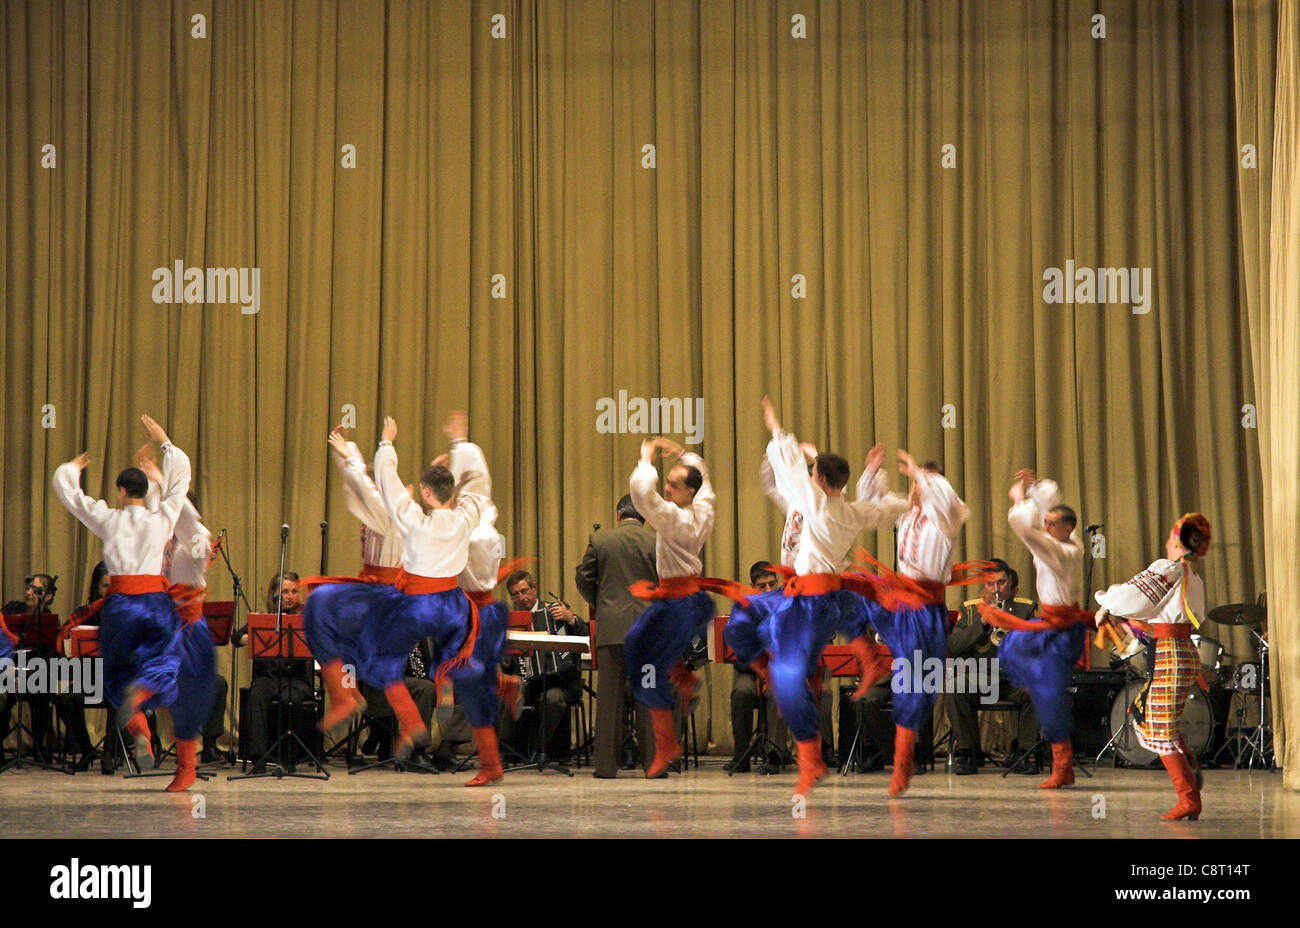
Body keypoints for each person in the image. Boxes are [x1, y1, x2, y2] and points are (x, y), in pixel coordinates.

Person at [754, 397, 904, 797]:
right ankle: (867, 658)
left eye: (813, 471)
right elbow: (881, 510)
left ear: (817, 479)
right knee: (795, 662)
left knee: (786, 677)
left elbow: (788, 470)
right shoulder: (849, 510)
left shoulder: (815, 501)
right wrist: (875, 475)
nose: (808, 474)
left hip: (811, 603)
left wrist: (777, 430)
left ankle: (811, 757)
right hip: (827, 598)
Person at [52, 414, 190, 767]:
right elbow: (180, 484)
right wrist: (165, 442)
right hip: (157, 603)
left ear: (120, 491)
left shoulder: (109, 519)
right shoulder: (162, 520)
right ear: (145, 492)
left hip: (121, 606)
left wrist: (71, 469)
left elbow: (72, 498)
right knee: (166, 664)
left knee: (117, 676)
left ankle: (139, 728)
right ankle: (147, 698)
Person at [357, 416, 485, 761]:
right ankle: (447, 741)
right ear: (452, 493)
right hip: (453, 608)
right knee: (458, 678)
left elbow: (389, 484)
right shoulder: (464, 518)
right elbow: (478, 488)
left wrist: (387, 443)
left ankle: (412, 733)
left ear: (425, 493)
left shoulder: (414, 522)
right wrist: (460, 446)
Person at [860, 452, 972, 796]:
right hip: (899, 602)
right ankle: (868, 656)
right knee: (849, 586)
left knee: (916, 686)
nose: (914, 489)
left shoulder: (947, 517)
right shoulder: (907, 514)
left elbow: (947, 498)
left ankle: (904, 759)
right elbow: (869, 506)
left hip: (925, 610)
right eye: (913, 483)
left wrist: (921, 472)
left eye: (920, 483)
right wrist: (872, 472)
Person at [1093, 514, 1211, 821]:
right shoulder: (1191, 574)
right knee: (1147, 714)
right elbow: (1158, 612)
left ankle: (1188, 796)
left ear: (1176, 540)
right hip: (1179, 651)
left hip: (1172, 652)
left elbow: (1136, 597)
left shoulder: (1170, 568)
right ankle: (1189, 774)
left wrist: (1106, 603)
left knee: (1156, 723)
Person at [979, 472, 1089, 788]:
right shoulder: (1063, 540)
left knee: (1050, 697)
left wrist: (1019, 500)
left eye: (1051, 524)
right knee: (1041, 689)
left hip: (1061, 633)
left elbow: (1025, 531)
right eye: (1046, 521)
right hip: (1050, 628)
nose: (1045, 525)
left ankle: (1062, 767)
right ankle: (1062, 765)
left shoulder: (1062, 551)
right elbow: (1046, 516)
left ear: (1066, 529)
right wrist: (1037, 484)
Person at [623, 437, 716, 778]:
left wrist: (646, 459)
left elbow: (643, 497)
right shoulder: (704, 506)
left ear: (689, 492)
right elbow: (704, 480)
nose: (667, 486)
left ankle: (666, 745)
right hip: (680, 601)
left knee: (647, 667)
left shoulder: (675, 519)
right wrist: (683, 454)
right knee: (636, 643)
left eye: (675, 484)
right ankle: (683, 676)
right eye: (668, 481)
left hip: (680, 604)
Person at [137, 446, 218, 790]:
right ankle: (141, 732)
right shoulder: (160, 540)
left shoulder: (198, 543)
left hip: (188, 628)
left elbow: (185, 518)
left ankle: (186, 768)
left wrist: (160, 477)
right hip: (160, 621)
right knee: (128, 678)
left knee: (186, 698)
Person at [574, 493, 659, 778]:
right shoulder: (658, 542)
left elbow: (583, 577)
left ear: (618, 515)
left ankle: (606, 767)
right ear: (644, 516)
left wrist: (601, 602)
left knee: (609, 701)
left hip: (611, 631)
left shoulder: (601, 540)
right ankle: (654, 765)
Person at [945, 558, 1038, 775]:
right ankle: (969, 752)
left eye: (1002, 583)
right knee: (954, 688)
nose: (996, 589)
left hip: (1014, 677)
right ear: (983, 587)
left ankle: (1023, 753)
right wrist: (983, 624)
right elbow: (955, 646)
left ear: (1012, 584)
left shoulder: (1025, 609)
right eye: (990, 584)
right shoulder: (969, 611)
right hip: (981, 675)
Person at [500, 570, 587, 764]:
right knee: (508, 688)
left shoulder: (556, 610)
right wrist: (506, 657)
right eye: (516, 594)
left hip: (563, 680)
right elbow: (507, 668)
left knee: (553, 699)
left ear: (534, 588)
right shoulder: (512, 621)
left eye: (524, 591)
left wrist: (571, 618)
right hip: (530, 680)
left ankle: (540, 750)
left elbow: (585, 634)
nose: (521, 597)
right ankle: (505, 749)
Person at [232, 572, 314, 768]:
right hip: (267, 677)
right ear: (274, 594)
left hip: (297, 678)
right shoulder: (265, 618)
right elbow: (236, 638)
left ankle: (289, 756)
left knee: (290, 700)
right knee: (256, 696)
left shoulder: (306, 618)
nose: (290, 596)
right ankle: (258, 756)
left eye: (294, 591)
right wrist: (255, 638)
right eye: (285, 591)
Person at [728, 562, 790, 773]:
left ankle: (774, 755)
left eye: (772, 584)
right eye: (762, 586)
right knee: (741, 693)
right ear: (753, 587)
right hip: (751, 671)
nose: (768, 590)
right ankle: (740, 755)